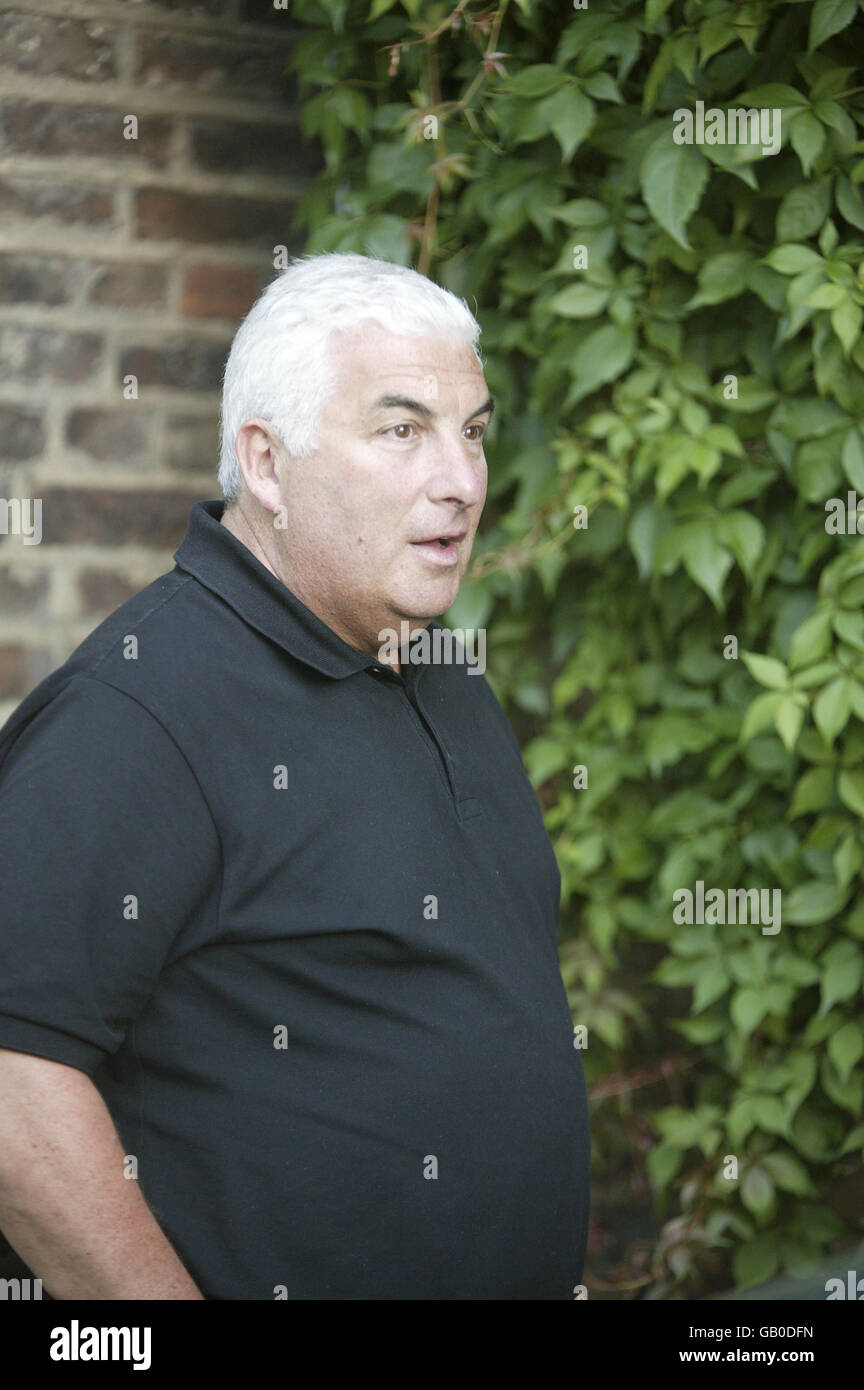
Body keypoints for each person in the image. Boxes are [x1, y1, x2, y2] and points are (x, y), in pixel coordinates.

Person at [0, 253, 590, 1300]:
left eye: (475, 429)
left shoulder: (438, 664)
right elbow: (12, 1076)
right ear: (266, 466)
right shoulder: (141, 710)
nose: (461, 477)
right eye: (401, 430)